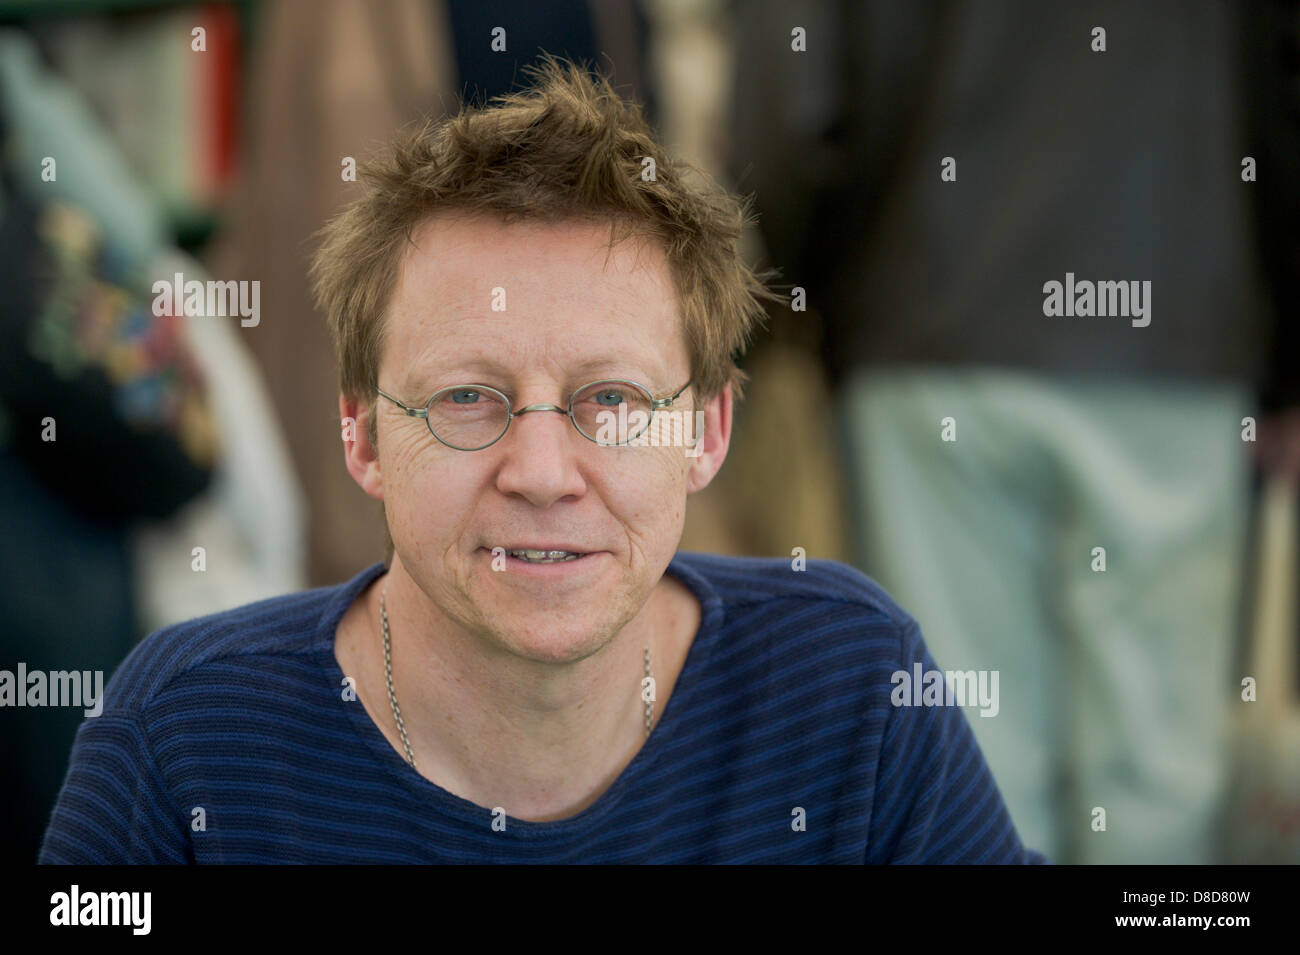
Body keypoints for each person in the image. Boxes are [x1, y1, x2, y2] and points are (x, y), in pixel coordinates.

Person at [40, 57, 1046, 864]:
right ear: (360, 434)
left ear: (705, 432)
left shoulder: (850, 684)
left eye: (609, 400)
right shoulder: (185, 737)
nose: (541, 471)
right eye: (465, 398)